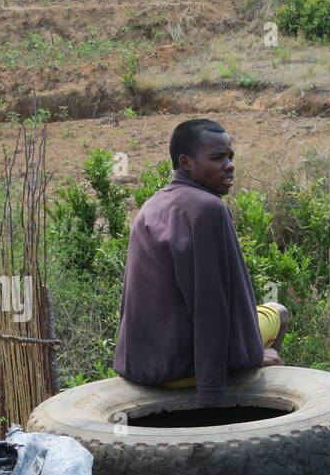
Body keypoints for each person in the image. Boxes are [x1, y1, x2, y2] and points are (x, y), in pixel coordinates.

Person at [113, 118, 288, 405]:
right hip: (183, 368)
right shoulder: (207, 209)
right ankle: (246, 391)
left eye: (230, 157)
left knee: (265, 316)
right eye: (217, 158)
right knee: (278, 312)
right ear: (186, 163)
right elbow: (210, 306)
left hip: (143, 364)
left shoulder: (153, 205)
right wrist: (212, 395)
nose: (229, 165)